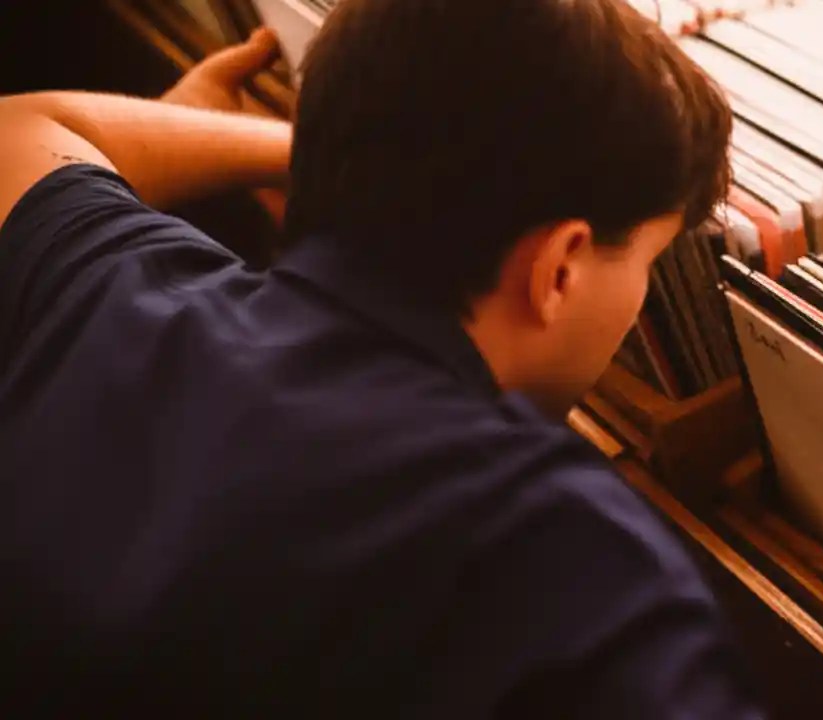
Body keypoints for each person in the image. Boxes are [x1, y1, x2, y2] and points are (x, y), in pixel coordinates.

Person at [0, 1, 761, 717]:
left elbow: (23, 123)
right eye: (650, 259)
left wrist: (359, 160)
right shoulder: (571, 566)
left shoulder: (114, 295)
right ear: (559, 268)